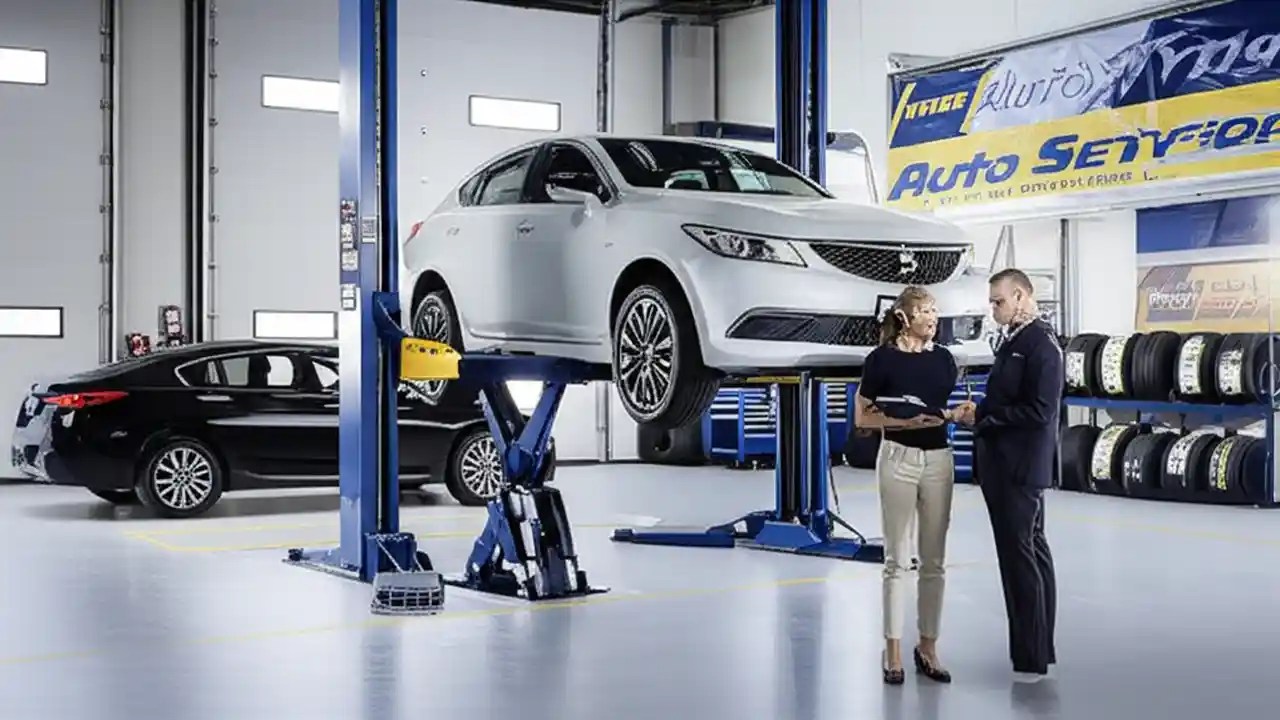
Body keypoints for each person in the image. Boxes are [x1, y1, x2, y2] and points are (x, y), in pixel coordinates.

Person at [854, 286, 975, 686]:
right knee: (896, 560)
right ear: (904, 318)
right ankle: (891, 650)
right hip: (898, 458)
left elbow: (939, 409)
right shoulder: (880, 360)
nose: (932, 318)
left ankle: (928, 646)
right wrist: (905, 422)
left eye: (935, 311)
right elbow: (863, 418)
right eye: (924, 311)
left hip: (939, 460)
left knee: (934, 561)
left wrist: (957, 415)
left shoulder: (944, 360)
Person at [954, 268, 1061, 680]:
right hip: (1007, 463)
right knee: (1030, 552)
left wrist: (984, 417)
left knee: (1020, 559)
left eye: (998, 302)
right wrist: (982, 410)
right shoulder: (1015, 341)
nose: (994, 309)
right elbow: (1009, 398)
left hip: (1019, 466)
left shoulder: (1040, 344)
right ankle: (1037, 650)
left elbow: (1041, 411)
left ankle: (1030, 655)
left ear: (1020, 296)